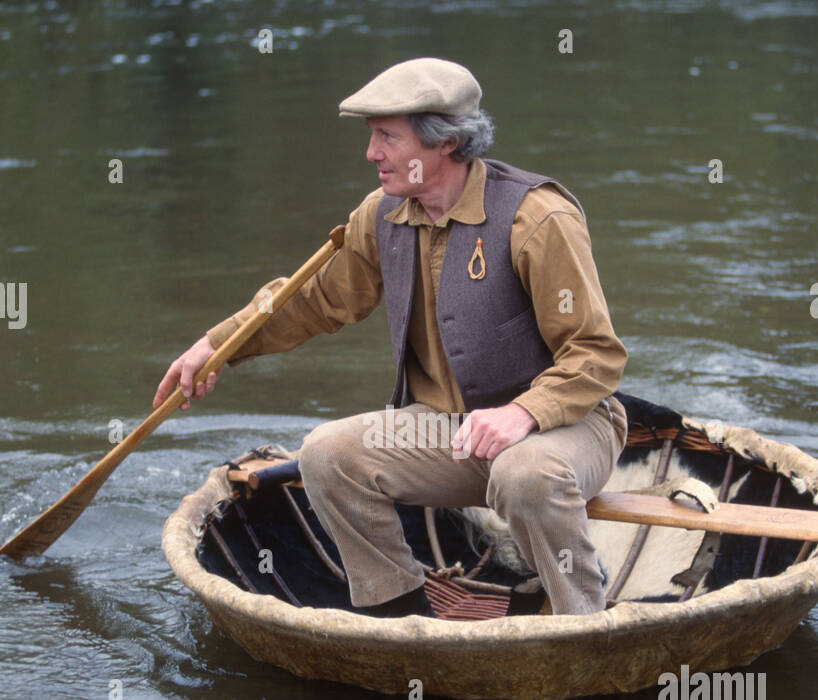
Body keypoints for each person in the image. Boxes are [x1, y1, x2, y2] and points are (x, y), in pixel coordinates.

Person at [154, 57, 628, 618]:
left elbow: (595, 355)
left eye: (386, 137)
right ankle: (401, 618)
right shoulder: (382, 215)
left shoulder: (538, 219)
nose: (371, 154)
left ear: (445, 143)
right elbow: (315, 299)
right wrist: (218, 346)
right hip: (449, 435)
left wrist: (522, 414)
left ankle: (581, 628)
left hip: (566, 428)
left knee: (523, 474)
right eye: (371, 137)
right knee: (328, 455)